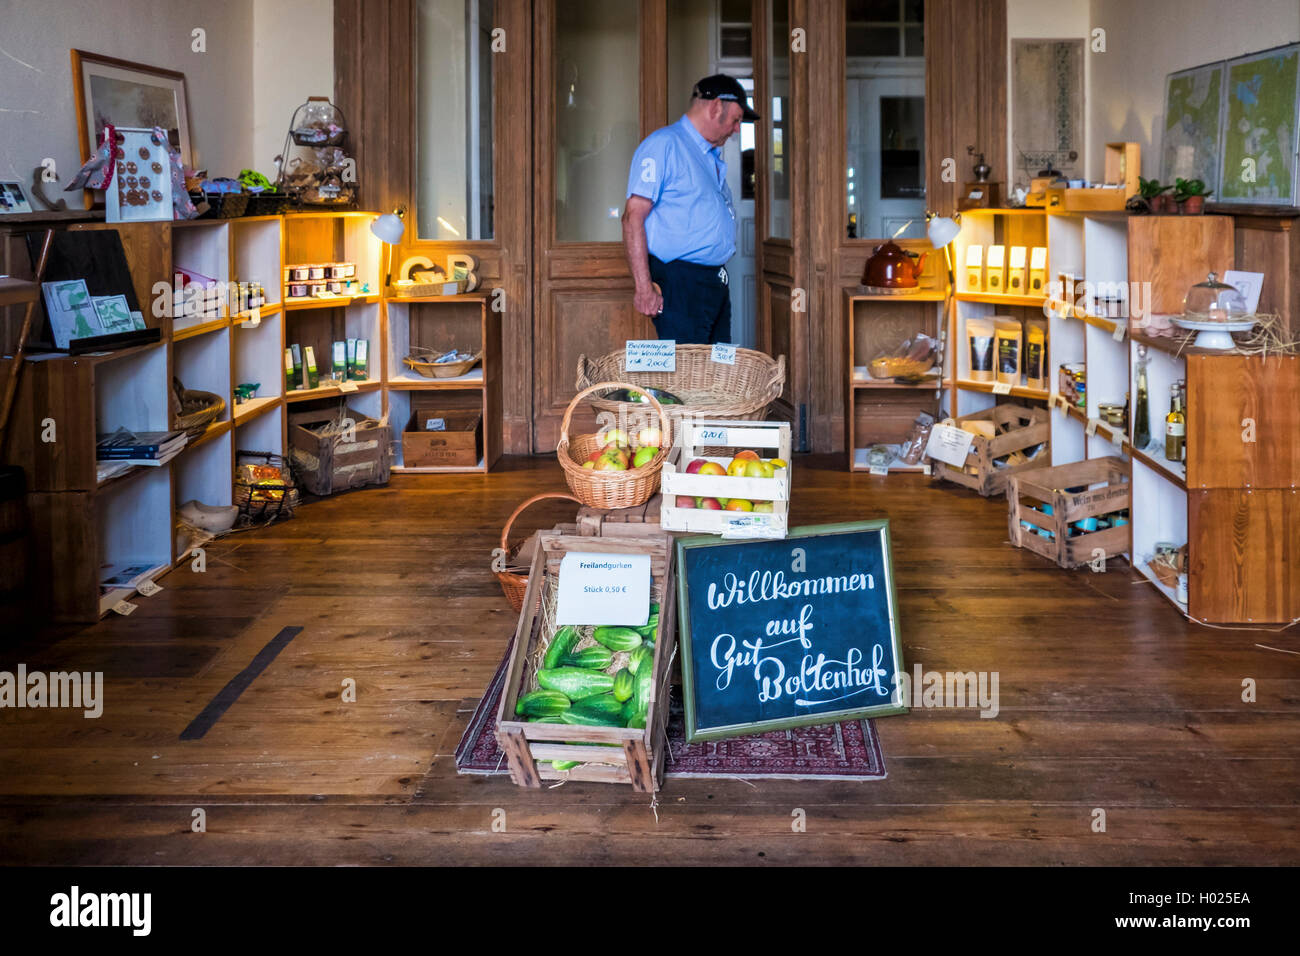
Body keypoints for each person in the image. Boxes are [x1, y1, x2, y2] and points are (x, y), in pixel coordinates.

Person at [621, 74, 759, 345]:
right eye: (736, 119)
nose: (737, 129)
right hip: (681, 283)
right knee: (685, 378)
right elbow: (632, 218)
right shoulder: (664, 145)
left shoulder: (709, 156)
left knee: (716, 373)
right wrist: (643, 288)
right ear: (716, 106)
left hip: (714, 281)